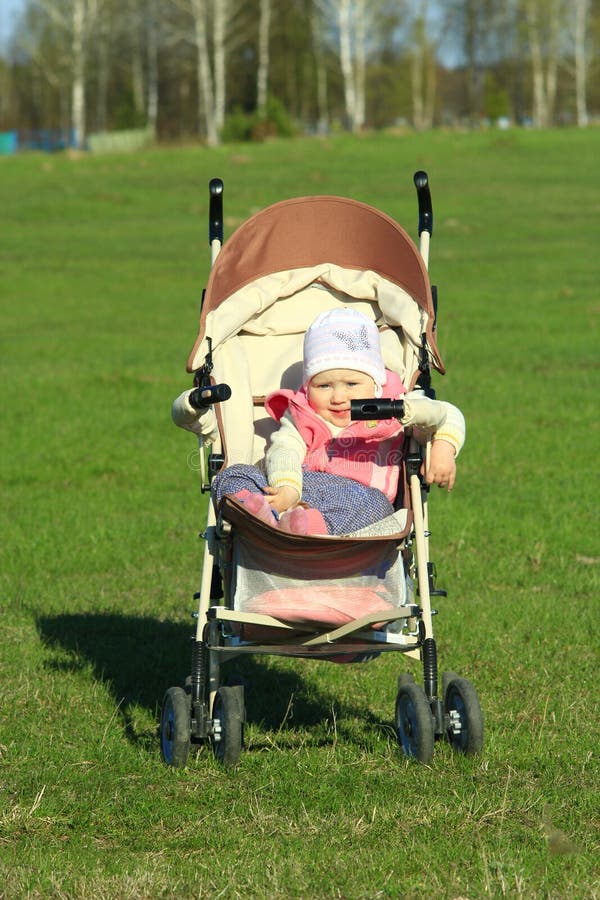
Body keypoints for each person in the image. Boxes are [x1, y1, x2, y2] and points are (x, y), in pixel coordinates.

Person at [173, 307, 465, 536]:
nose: (338, 397)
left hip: (360, 497)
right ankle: (256, 512)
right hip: (296, 488)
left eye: (352, 384)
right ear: (308, 386)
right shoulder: (304, 414)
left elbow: (447, 414)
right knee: (233, 475)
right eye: (323, 386)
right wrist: (288, 489)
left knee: (377, 508)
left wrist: (443, 448)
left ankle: (305, 526)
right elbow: (284, 449)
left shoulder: (398, 406)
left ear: (375, 383)